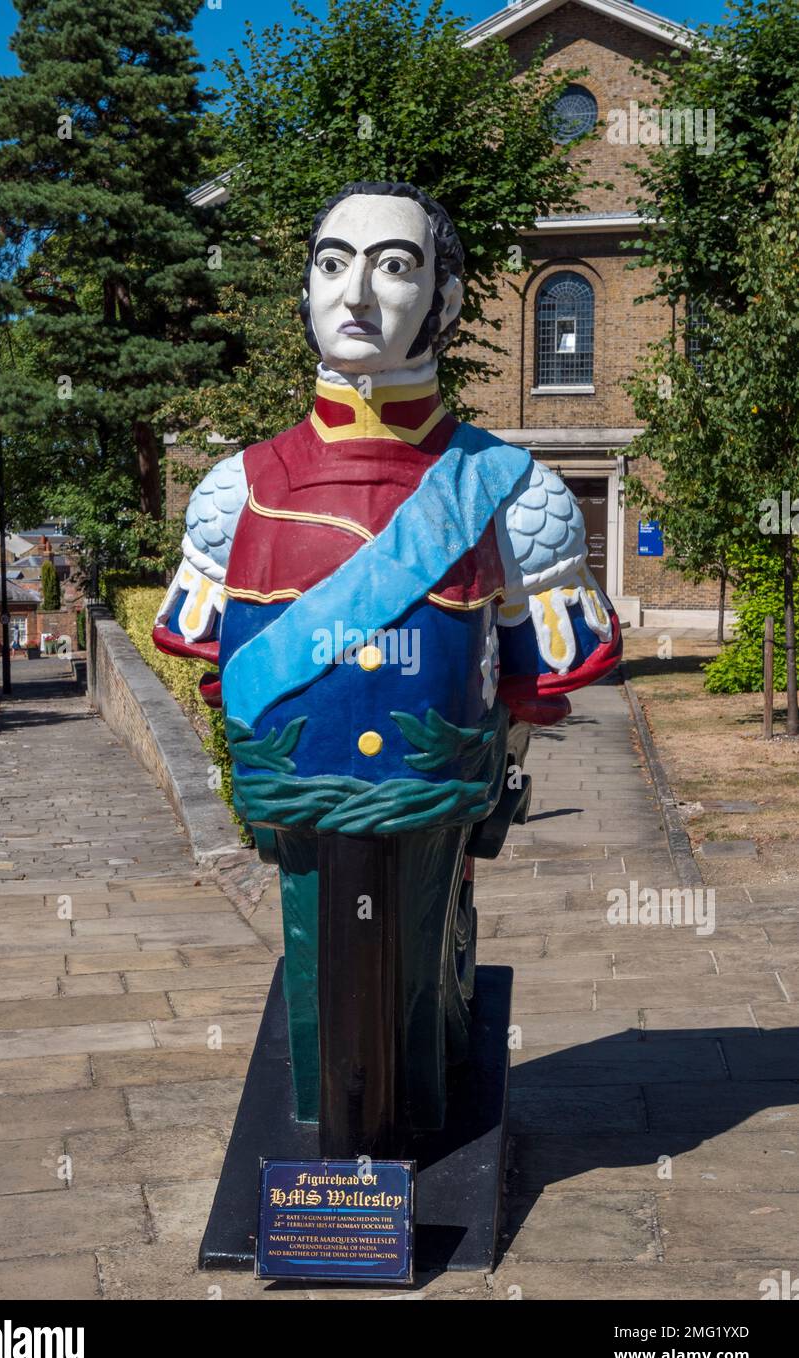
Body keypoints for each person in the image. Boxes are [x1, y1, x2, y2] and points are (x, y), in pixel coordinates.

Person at [154, 182, 621, 1141]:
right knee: (319, 1000)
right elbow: (214, 663)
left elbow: (537, 689)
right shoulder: (232, 492)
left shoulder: (512, 492)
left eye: (394, 266)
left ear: (444, 302)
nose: (355, 294)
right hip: (297, 810)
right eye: (332, 264)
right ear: (306, 290)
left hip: (438, 803)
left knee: (429, 990)